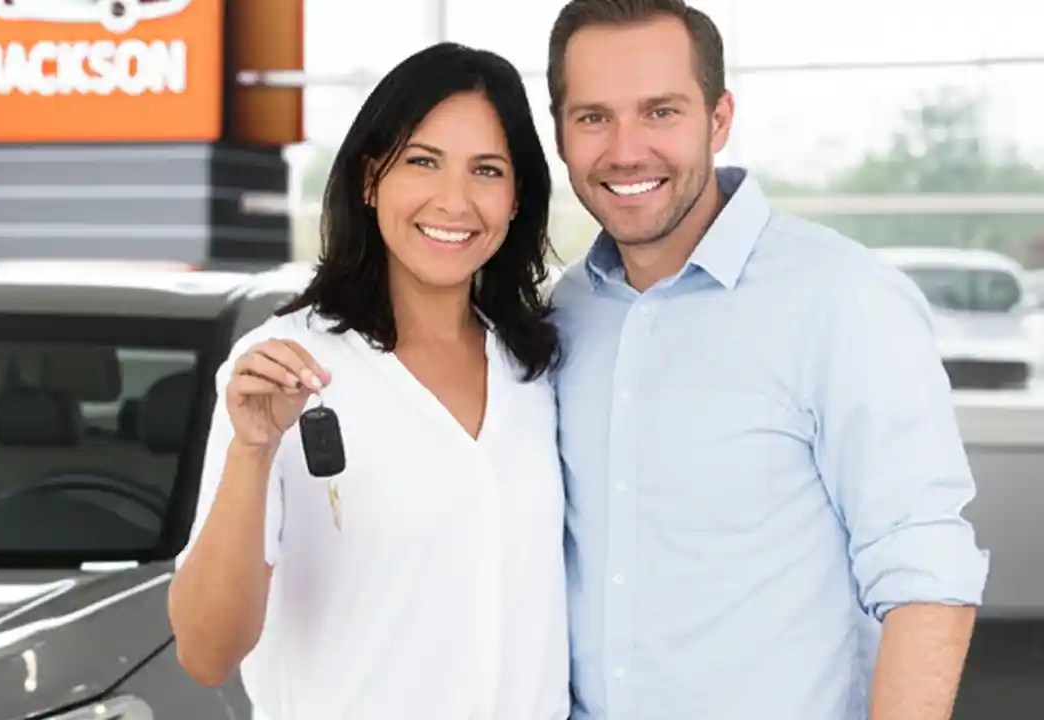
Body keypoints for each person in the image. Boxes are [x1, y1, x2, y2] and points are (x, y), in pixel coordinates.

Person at [546, 1, 991, 719]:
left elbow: (923, 564)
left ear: (719, 119)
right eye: (594, 116)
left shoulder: (843, 299)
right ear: (561, 131)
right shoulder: (564, 315)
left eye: (661, 112)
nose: (626, 150)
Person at [167, 42, 570, 719]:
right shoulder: (284, 364)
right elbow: (206, 653)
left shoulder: (538, 367)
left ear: (516, 196)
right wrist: (254, 451)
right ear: (368, 179)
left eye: (487, 170)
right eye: (422, 161)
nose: (455, 200)